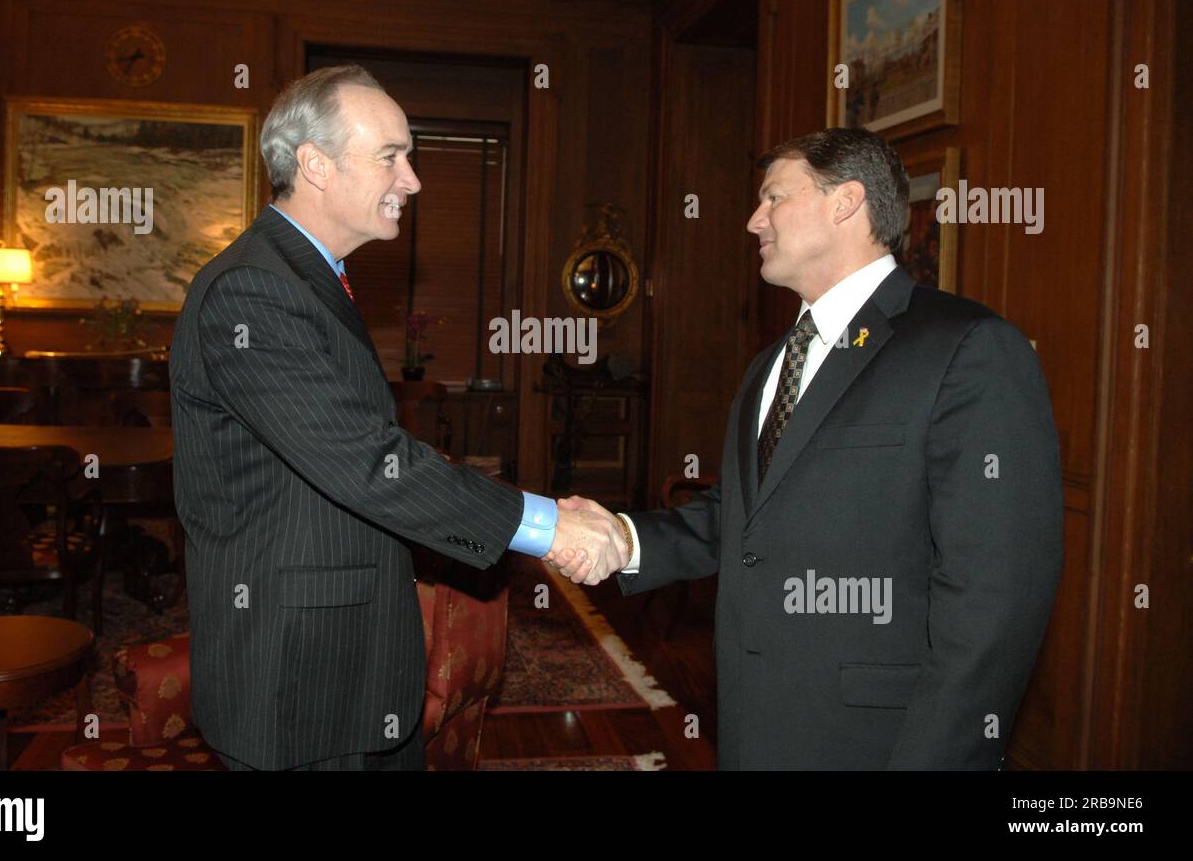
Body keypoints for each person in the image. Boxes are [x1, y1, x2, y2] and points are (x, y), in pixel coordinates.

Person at [553, 127, 1062, 769]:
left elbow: (997, 594)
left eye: (773, 198)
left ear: (845, 201)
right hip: (754, 722)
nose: (752, 220)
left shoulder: (968, 349)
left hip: (879, 741)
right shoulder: (774, 362)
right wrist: (628, 540)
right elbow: (747, 516)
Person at [170, 65, 626, 771]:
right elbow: (361, 459)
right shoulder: (253, 289)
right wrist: (549, 524)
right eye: (391, 156)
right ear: (315, 165)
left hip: (345, 668)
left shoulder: (306, 276)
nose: (411, 179)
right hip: (297, 686)